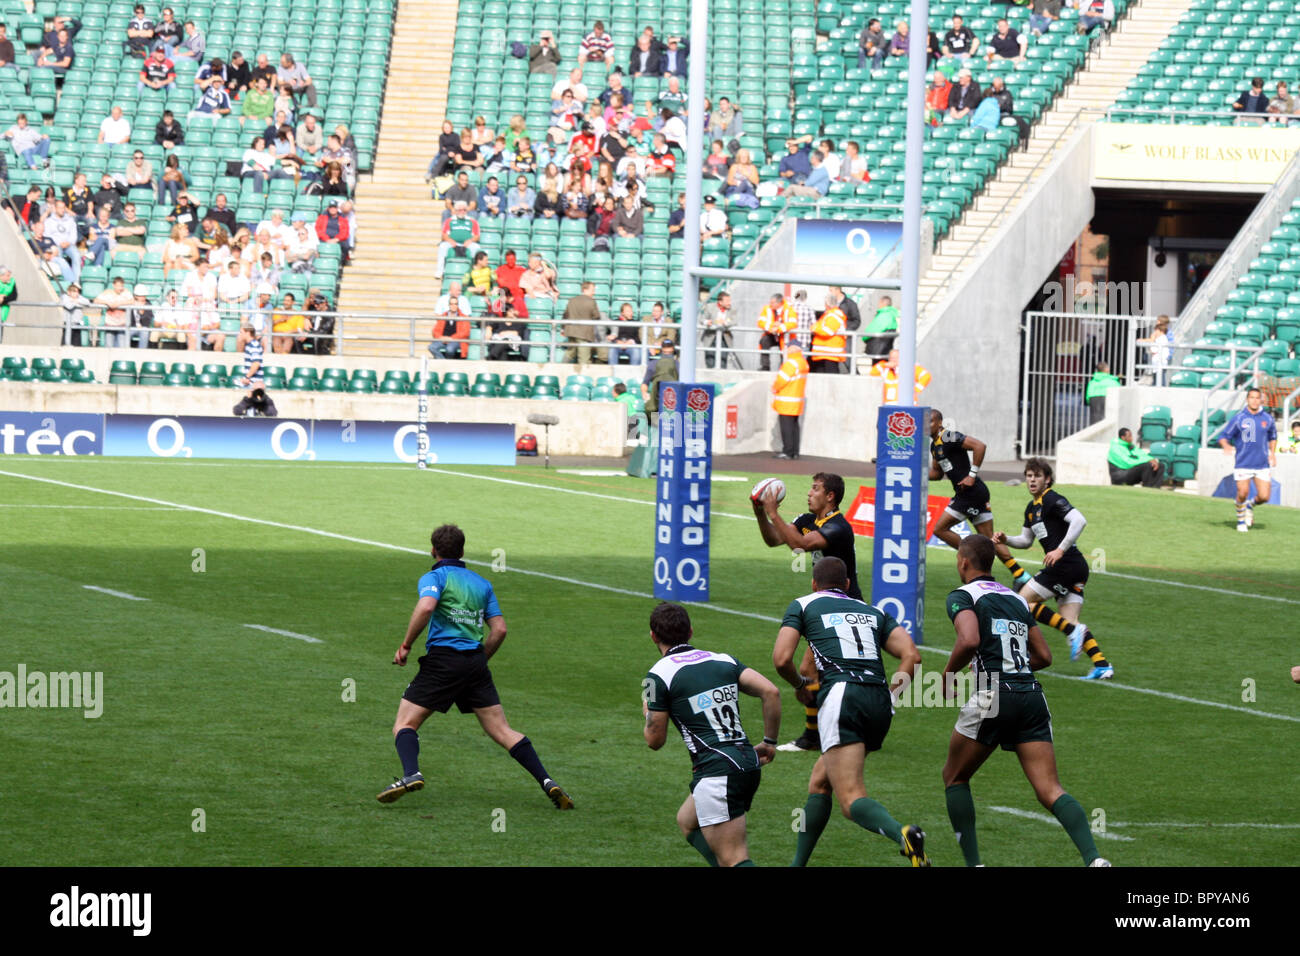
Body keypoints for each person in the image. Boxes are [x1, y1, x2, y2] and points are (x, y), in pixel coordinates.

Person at [940, 535, 1111, 867]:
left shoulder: (962, 596)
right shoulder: (1018, 600)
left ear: (963, 561)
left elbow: (969, 639)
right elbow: (1044, 656)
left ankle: (974, 863)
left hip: (993, 694)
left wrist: (948, 674)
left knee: (955, 776)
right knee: (1050, 790)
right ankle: (1094, 860)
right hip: (1031, 695)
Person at [379, 524, 574, 810]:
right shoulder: (481, 583)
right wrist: (480, 660)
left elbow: (426, 607)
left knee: (405, 723)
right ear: (462, 551)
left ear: (434, 550)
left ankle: (411, 774)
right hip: (475, 664)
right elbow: (500, 629)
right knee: (502, 731)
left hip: (443, 661)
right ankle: (548, 782)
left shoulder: (436, 577)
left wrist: (406, 645)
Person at [773, 556, 929, 867]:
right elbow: (912, 656)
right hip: (879, 700)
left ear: (814, 584)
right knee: (820, 780)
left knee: (850, 798)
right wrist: (891, 696)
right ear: (846, 585)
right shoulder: (874, 611)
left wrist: (801, 683)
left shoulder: (804, 604)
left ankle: (904, 835)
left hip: (842, 697)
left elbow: (781, 659)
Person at [643, 602, 780, 867]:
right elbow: (771, 692)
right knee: (687, 820)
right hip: (747, 763)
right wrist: (769, 742)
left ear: (653, 636)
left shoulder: (657, 676)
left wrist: (648, 709)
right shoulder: (723, 659)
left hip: (717, 772)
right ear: (690, 631)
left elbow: (654, 741)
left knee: (735, 858)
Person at [754, 472, 860, 752]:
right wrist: (760, 514)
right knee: (816, 670)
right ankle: (820, 735)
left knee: (817, 670)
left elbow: (800, 546)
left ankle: (822, 734)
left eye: (815, 489)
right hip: (826, 606)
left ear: (830, 496)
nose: (809, 493)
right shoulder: (806, 520)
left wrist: (773, 511)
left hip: (846, 605)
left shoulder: (839, 527)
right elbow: (775, 540)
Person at [992, 458, 1116, 680]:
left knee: (1021, 604)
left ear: (1047, 479)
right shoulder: (1032, 509)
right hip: (1072, 568)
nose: (1032, 480)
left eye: (1037, 476)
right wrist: (1006, 539)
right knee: (1070, 620)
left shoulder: (1052, 499)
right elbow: (1026, 541)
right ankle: (1102, 665)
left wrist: (1060, 549)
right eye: (1029, 475)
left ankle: (1062, 637)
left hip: (1065, 565)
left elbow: (1079, 520)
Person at [929, 409, 1028, 588]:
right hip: (973, 494)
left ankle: (972, 553)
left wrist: (972, 475)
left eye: (930, 422)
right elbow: (936, 473)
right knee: (990, 538)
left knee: (940, 529)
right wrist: (913, 470)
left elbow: (979, 446)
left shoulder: (949, 436)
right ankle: (1020, 574)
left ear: (939, 422)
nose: (926, 426)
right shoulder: (934, 446)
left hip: (970, 493)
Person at [1216, 387, 1277, 533]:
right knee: (1242, 492)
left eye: (1257, 398)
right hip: (1243, 462)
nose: (1255, 401)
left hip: (1262, 464)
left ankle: (1250, 506)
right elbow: (1223, 436)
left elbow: (1273, 437)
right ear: (1247, 399)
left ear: (1261, 400)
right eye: (1252, 398)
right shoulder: (1239, 418)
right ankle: (1241, 521)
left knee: (1264, 496)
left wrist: (1273, 453)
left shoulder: (1267, 418)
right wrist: (1226, 445)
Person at [771, 343, 808, 461]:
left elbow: (781, 380)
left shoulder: (790, 363)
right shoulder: (803, 362)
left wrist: (774, 388)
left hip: (787, 400)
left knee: (786, 427)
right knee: (794, 427)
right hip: (797, 400)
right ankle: (794, 451)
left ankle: (787, 451)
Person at [641, 339, 678, 434]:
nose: (667, 355)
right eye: (665, 352)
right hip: (659, 399)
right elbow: (645, 383)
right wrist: (644, 393)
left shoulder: (678, 364)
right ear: (661, 351)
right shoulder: (653, 364)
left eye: (669, 352)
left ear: (673, 351)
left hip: (671, 400)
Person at [561, 280, 602, 364]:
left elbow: (565, 315)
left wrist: (563, 328)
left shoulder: (572, 300)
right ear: (585, 289)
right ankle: (584, 375)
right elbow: (597, 316)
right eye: (592, 290)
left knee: (570, 352)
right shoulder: (591, 301)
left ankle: (559, 368)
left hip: (571, 331)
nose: (594, 292)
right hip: (584, 333)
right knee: (584, 358)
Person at [757, 293, 797, 371]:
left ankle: (783, 368)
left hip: (784, 336)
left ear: (779, 303)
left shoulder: (789, 309)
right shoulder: (767, 308)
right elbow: (760, 322)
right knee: (764, 341)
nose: (770, 304)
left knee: (785, 350)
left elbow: (793, 323)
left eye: (772, 303)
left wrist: (779, 328)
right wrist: (772, 326)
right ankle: (765, 367)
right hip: (771, 334)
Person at [809, 292, 847, 372]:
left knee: (830, 379)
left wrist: (814, 328)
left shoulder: (834, 315)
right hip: (824, 353)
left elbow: (827, 331)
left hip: (830, 353)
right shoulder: (830, 314)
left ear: (827, 303)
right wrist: (816, 327)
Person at [699, 291, 735, 369]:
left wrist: (725, 323)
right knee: (710, 361)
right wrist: (707, 322)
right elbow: (702, 319)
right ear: (720, 302)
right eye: (727, 301)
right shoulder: (709, 307)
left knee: (723, 361)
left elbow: (734, 321)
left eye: (730, 300)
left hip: (724, 338)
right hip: (710, 337)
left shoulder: (732, 310)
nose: (729, 303)